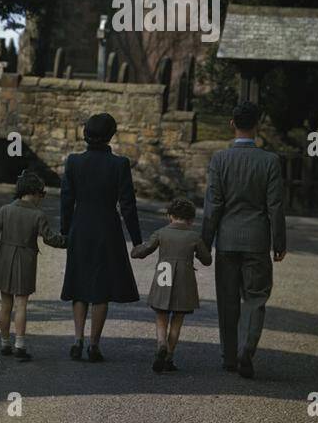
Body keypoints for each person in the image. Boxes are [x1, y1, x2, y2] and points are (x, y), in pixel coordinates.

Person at [201, 100, 287, 379]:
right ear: (258, 125)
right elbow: (275, 206)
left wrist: (205, 241)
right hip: (257, 241)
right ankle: (246, 349)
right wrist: (279, 242)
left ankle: (228, 356)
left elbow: (213, 205)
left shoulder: (220, 160)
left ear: (232, 124)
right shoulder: (270, 161)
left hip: (226, 240)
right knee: (255, 298)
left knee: (227, 300)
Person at [60, 112, 142, 362]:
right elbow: (127, 204)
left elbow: (66, 200)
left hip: (80, 226)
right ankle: (94, 344)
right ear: (111, 136)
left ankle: (77, 339)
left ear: (85, 134)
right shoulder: (119, 164)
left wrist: (65, 231)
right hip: (107, 228)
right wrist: (137, 240)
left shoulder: (73, 162)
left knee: (79, 285)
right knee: (101, 289)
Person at [0, 170, 66, 360]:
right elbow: (50, 239)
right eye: (42, 193)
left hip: (3, 259)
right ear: (33, 192)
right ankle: (20, 344)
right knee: (22, 304)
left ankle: (4, 342)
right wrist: (69, 241)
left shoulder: (5, 210)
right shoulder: (38, 215)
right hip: (25, 261)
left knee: (5, 304)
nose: (42, 198)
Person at [131, 195, 211, 373]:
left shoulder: (161, 233)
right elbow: (207, 260)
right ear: (191, 220)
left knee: (161, 315)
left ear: (169, 216)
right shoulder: (194, 237)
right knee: (178, 319)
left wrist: (135, 251)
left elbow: (144, 250)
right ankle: (169, 355)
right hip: (185, 282)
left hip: (163, 278)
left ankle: (161, 343)